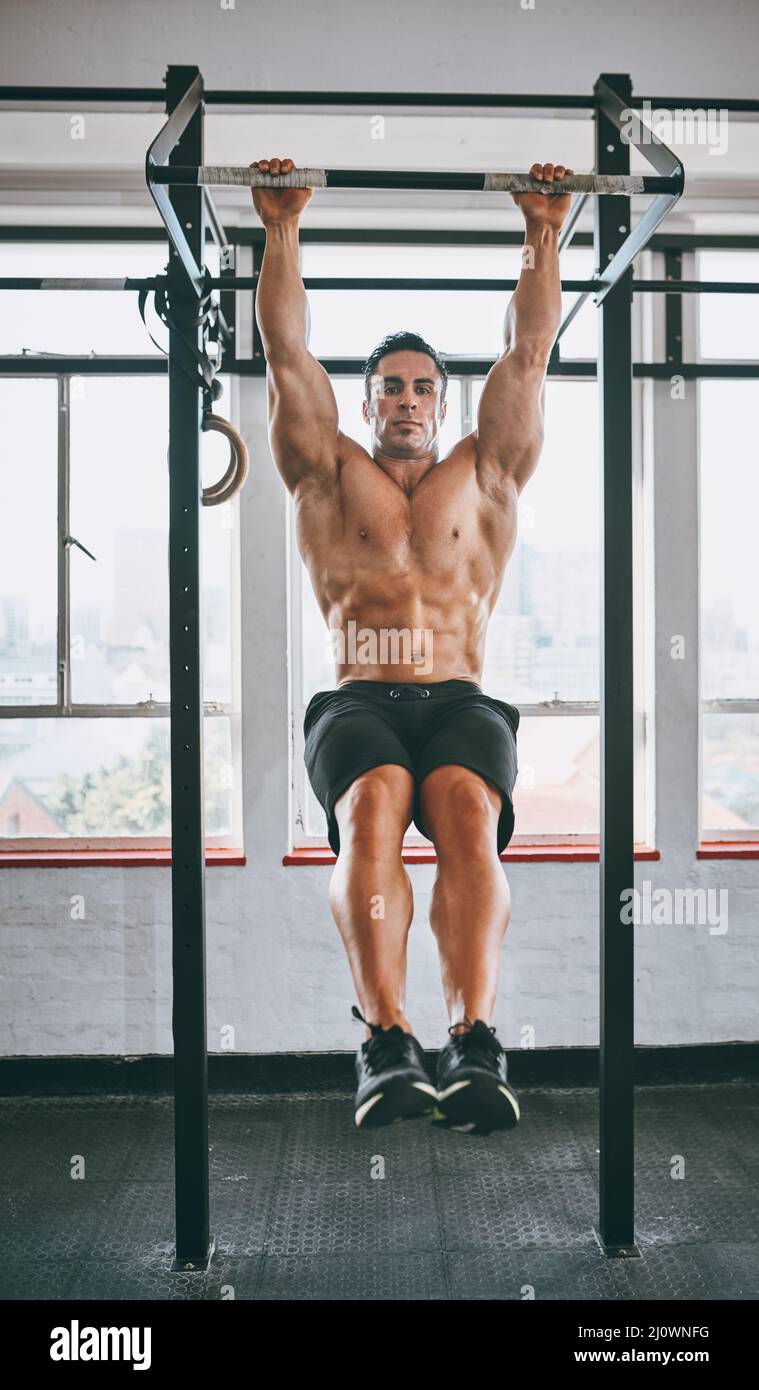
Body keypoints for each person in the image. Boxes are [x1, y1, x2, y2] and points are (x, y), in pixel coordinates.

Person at [251, 157, 574, 1133]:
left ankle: (472, 1035)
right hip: (359, 698)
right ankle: (388, 1039)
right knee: (374, 803)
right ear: (367, 398)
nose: (404, 399)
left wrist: (544, 231)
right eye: (388, 386)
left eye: (421, 387)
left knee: (468, 810)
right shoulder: (325, 470)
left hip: (459, 695)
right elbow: (286, 353)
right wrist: (281, 228)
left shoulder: (487, 473)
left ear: (442, 400)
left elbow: (528, 355)